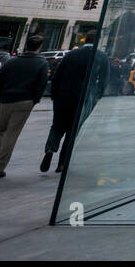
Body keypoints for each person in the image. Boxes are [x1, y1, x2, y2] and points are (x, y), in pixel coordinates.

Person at [0, 34, 49, 178]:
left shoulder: (13, 61)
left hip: (6, 100)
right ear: (40, 47)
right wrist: (35, 100)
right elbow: (41, 84)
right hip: (24, 101)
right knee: (11, 134)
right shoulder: (42, 63)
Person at [43, 32, 110, 173]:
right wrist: (97, 96)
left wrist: (54, 94)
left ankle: (50, 149)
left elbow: (57, 75)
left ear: (85, 39)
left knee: (57, 125)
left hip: (64, 95)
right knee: (73, 130)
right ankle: (62, 162)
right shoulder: (101, 57)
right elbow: (103, 80)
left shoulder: (71, 54)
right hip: (84, 97)